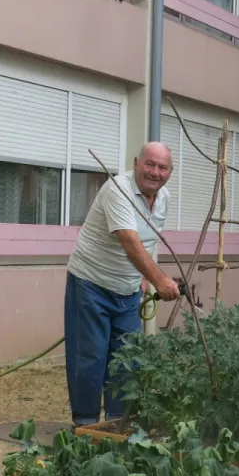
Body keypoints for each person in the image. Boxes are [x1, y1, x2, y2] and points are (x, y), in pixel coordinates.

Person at [64, 141, 181, 428]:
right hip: (91, 283)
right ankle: (87, 427)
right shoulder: (118, 189)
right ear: (136, 162)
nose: (155, 172)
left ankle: (117, 425)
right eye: (149, 164)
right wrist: (160, 281)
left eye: (162, 167)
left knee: (129, 359)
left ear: (170, 172)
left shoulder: (163, 197)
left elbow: (148, 241)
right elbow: (129, 240)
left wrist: (142, 278)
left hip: (127, 291)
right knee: (90, 357)